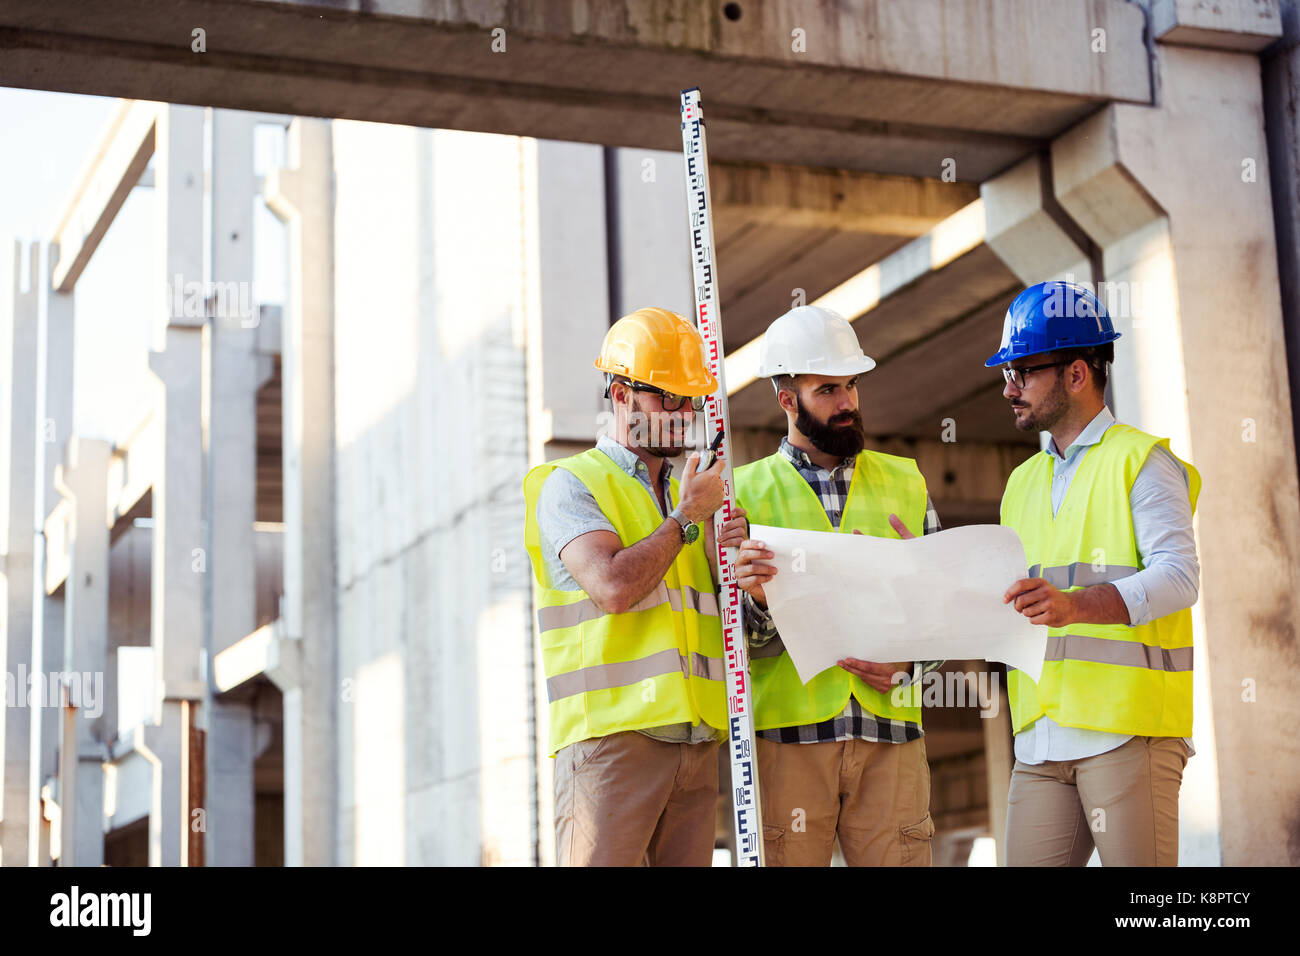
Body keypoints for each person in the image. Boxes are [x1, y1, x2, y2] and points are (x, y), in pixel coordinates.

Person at [522, 306, 745, 866]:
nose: (682, 413)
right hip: (612, 746)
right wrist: (687, 520)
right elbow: (614, 588)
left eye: (688, 400)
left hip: (695, 747)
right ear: (621, 396)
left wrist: (736, 552)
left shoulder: (691, 496)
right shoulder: (571, 485)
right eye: (666, 398)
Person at [990, 280, 1201, 866]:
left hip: (1125, 734)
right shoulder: (1021, 482)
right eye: (1007, 372)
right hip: (1039, 740)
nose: (1009, 389)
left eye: (1023, 371)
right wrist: (935, 571)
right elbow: (1009, 601)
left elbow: (1180, 576)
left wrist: (1076, 605)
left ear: (1077, 373)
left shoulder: (1142, 461)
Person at [732, 305, 941, 866]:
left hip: (890, 738)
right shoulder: (741, 496)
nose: (847, 402)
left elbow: (946, 616)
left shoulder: (906, 481)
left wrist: (911, 667)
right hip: (788, 743)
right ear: (786, 400)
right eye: (828, 389)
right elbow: (734, 647)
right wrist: (758, 602)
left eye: (852, 385)